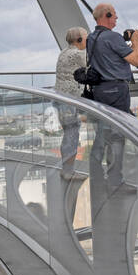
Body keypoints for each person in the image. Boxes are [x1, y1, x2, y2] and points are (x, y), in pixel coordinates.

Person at [86, 3, 138, 191]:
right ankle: (115, 180)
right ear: (107, 15)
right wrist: (135, 42)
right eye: (115, 15)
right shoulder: (112, 37)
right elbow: (136, 60)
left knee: (102, 134)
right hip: (116, 90)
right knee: (117, 136)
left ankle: (96, 175)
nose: (117, 18)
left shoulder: (92, 37)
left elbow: (108, 56)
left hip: (99, 91)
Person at [53, 27, 87, 179]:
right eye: (86, 38)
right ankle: (68, 172)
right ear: (79, 40)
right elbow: (92, 63)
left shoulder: (64, 52)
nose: (88, 41)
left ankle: (66, 169)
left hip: (61, 98)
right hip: (68, 100)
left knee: (69, 133)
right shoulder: (76, 54)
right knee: (71, 134)